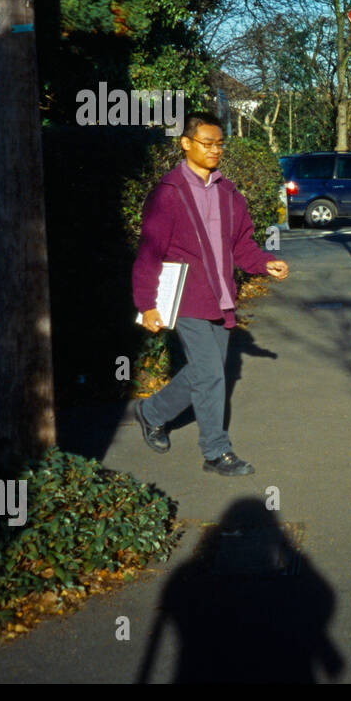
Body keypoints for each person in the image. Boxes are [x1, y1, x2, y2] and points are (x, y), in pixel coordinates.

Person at [131, 112, 288, 475]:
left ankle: (151, 412)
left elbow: (243, 246)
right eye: (207, 143)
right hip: (188, 299)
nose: (215, 150)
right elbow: (149, 252)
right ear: (186, 144)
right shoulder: (168, 194)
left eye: (219, 143)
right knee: (211, 374)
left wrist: (265, 263)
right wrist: (147, 305)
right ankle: (216, 452)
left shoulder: (229, 194)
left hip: (222, 298)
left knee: (205, 372)